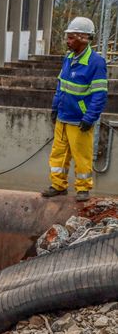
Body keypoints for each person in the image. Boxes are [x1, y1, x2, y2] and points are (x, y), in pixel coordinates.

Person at [42, 17, 107, 202]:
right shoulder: (68, 58)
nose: (67, 41)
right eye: (68, 37)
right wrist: (55, 108)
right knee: (58, 154)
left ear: (84, 38)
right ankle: (58, 185)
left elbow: (99, 94)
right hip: (63, 115)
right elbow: (60, 85)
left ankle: (83, 189)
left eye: (71, 38)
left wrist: (90, 117)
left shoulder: (96, 63)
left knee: (82, 156)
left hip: (80, 120)